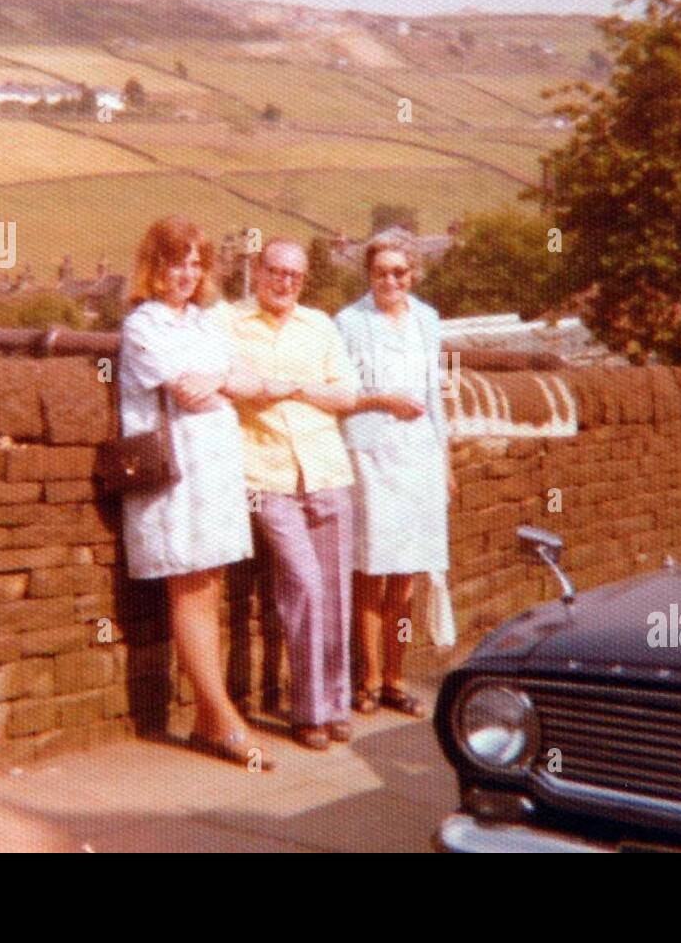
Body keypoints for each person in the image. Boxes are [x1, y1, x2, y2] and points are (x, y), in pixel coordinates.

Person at [218, 239, 419, 750]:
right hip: (266, 475)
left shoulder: (319, 326)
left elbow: (345, 395)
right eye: (276, 271)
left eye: (294, 275)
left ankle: (332, 705)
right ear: (258, 271)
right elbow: (234, 384)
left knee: (333, 591)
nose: (284, 282)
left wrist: (287, 387)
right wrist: (287, 386)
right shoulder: (228, 322)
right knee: (304, 584)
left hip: (328, 471)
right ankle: (308, 711)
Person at [120, 216, 278, 770]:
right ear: (154, 265)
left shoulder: (209, 322)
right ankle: (226, 719)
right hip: (175, 478)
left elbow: (252, 382)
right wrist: (220, 382)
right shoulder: (143, 326)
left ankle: (207, 721)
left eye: (195, 263)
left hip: (215, 474)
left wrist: (219, 381)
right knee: (188, 591)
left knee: (208, 588)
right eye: (176, 261)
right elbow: (189, 390)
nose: (186, 274)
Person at [335, 238, 454, 718]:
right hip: (371, 454)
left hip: (419, 454)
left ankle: (394, 678)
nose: (391, 281)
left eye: (400, 272)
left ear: (413, 274)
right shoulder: (349, 322)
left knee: (405, 575)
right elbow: (343, 393)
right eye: (382, 272)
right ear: (369, 274)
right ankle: (365, 678)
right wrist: (384, 402)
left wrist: (445, 460)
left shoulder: (427, 319)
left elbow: (434, 393)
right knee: (370, 570)